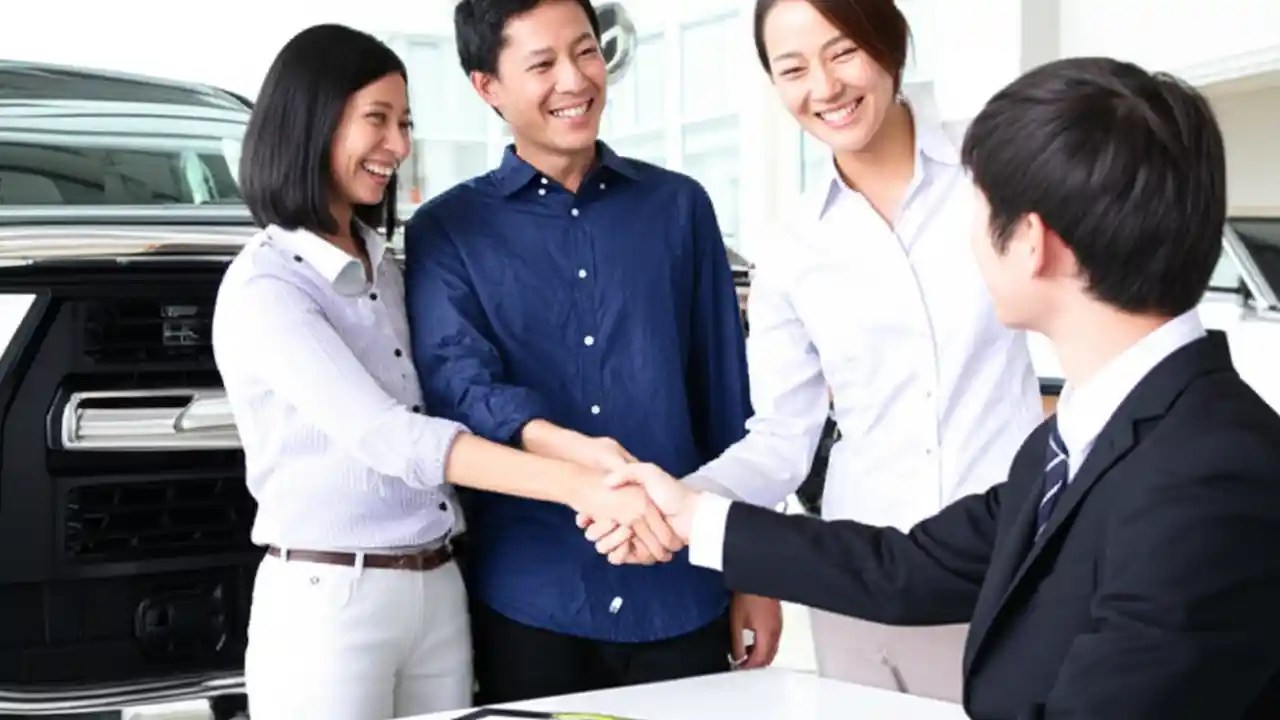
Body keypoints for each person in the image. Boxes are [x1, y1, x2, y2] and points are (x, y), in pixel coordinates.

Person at [593, 56, 1280, 718]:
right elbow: (905, 569)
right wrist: (689, 514)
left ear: (1032, 241)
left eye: (977, 213)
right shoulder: (1080, 439)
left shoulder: (1210, 477)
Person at [212, 24, 678, 720]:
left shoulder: (385, 266)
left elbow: (459, 397)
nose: (398, 147)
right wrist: (584, 486)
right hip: (331, 599)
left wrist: (580, 449)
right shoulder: (267, 286)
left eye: (404, 124)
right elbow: (394, 439)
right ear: (310, 120)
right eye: (377, 120)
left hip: (436, 589)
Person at [592, 0, 1044, 701]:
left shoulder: (996, 170)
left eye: (842, 52)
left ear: (889, 43)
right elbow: (782, 439)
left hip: (1011, 561)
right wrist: (676, 502)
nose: (825, 88)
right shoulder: (790, 243)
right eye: (793, 68)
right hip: (859, 583)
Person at [402, 0, 782, 705]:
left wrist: (753, 571)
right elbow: (460, 387)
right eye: (542, 64)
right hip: (531, 595)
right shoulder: (445, 230)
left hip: (681, 585)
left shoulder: (680, 209)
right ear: (488, 86)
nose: (575, 80)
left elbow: (728, 404)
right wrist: (583, 455)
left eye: (585, 52)